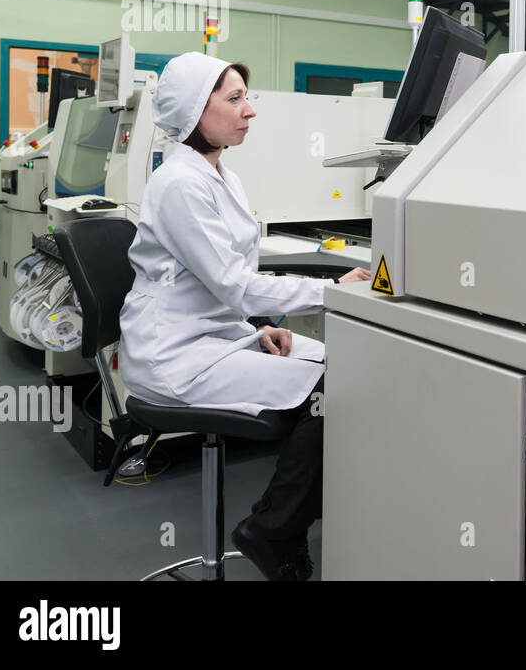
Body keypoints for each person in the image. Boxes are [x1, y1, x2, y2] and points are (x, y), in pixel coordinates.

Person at [118, 51, 370, 581]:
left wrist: (259, 328)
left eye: (245, 97)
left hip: (215, 336)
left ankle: (284, 520)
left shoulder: (221, 177)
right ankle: (274, 528)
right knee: (333, 387)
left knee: (350, 366)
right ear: (192, 111)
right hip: (175, 356)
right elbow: (233, 283)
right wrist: (331, 292)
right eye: (234, 99)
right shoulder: (181, 185)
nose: (249, 110)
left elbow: (220, 284)